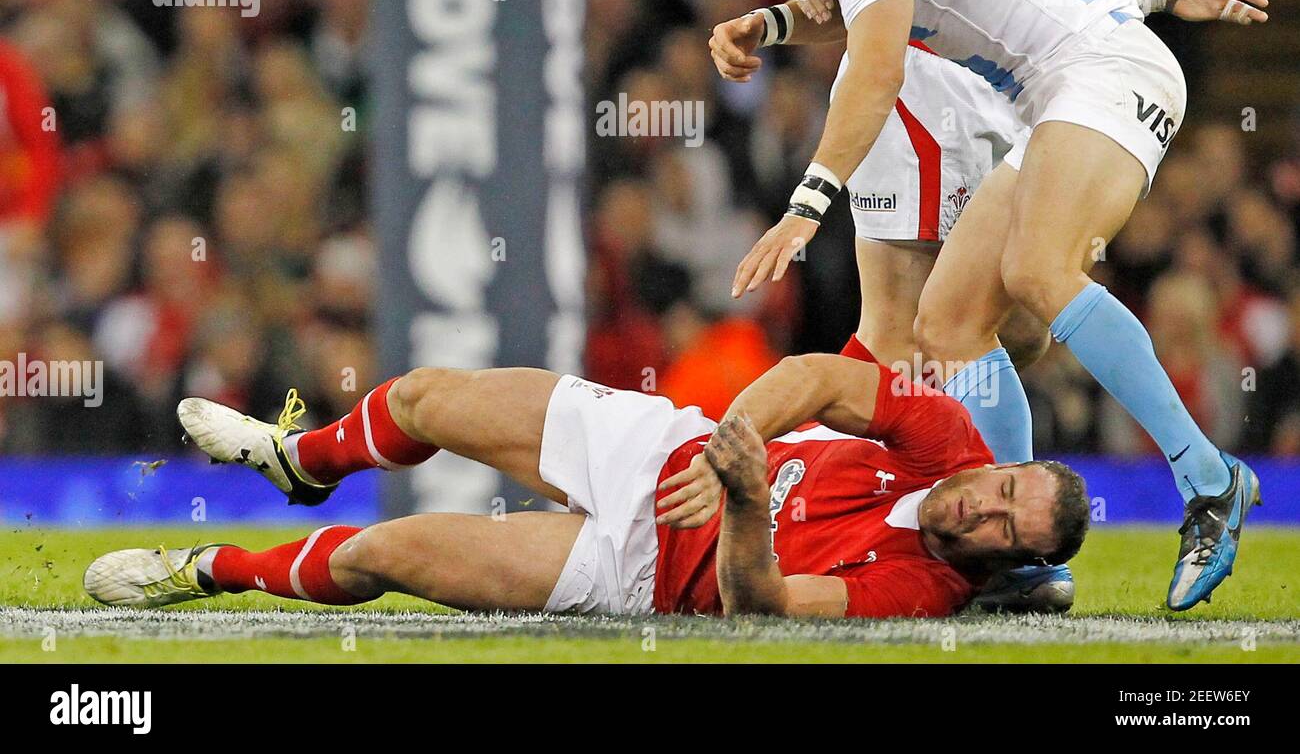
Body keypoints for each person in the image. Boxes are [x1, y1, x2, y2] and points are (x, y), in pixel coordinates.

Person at [713, 0, 1267, 612]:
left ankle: (1205, 478)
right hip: (1011, 75)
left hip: (1067, 72)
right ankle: (1013, 562)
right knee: (954, 325)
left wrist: (804, 201)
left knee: (995, 299)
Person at [83, 358, 1088, 619]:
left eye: (1003, 524)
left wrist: (741, 500)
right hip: (662, 449)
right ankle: (301, 462)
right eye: (1000, 484)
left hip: (643, 573)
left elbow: (764, 606)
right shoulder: (946, 438)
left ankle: (206, 568)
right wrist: (723, 449)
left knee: (378, 554)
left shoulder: (925, 589)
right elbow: (820, 377)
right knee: (428, 398)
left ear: (1008, 557)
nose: (980, 504)